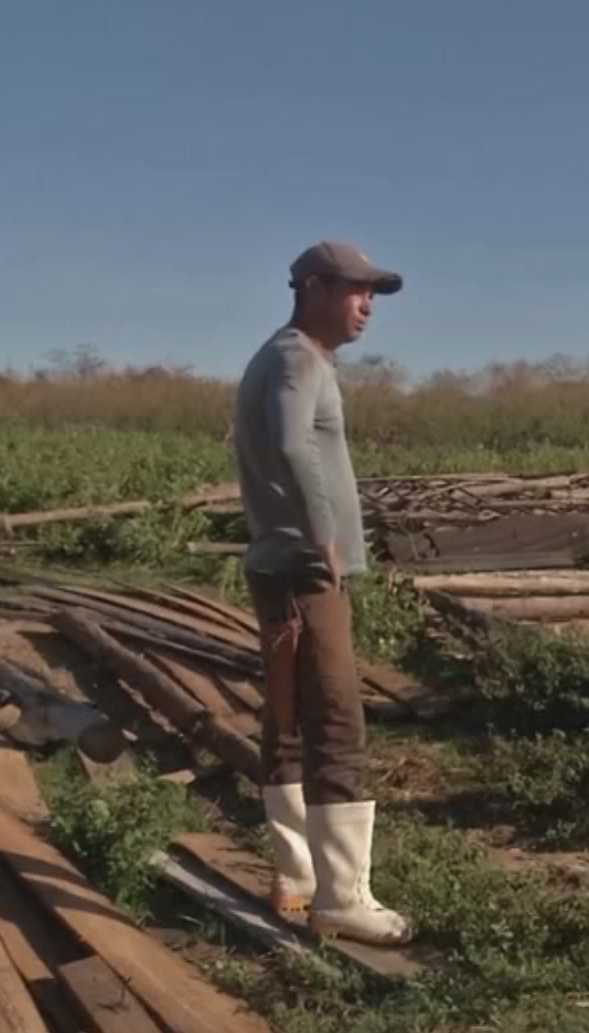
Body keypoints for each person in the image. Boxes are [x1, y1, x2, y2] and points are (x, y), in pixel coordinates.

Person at [233, 241, 413, 945]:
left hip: (281, 562)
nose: (367, 306)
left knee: (289, 715)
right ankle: (343, 897)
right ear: (311, 287)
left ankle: (298, 874)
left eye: (373, 294)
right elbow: (289, 442)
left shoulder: (284, 356)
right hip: (305, 567)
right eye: (355, 290)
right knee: (337, 722)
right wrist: (323, 533)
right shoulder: (297, 358)